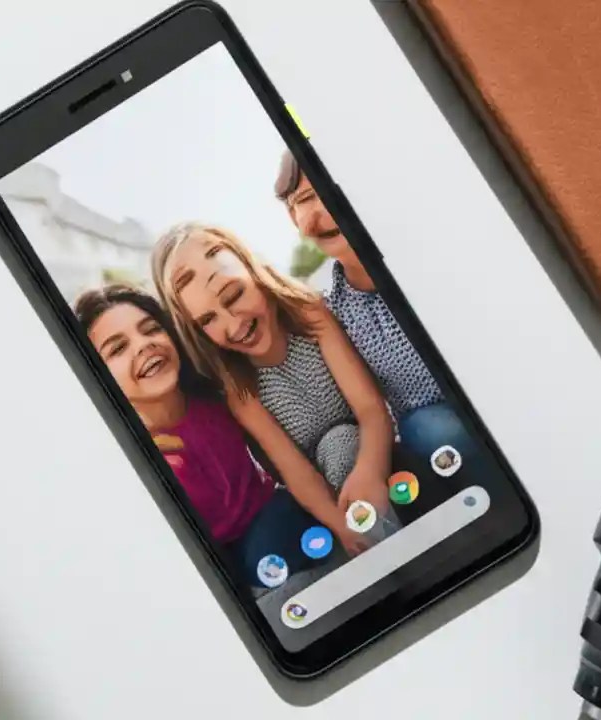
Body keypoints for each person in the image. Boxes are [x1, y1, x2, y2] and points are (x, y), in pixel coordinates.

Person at [150, 224, 394, 555]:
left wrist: (371, 469)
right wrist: (338, 524)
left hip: (369, 450)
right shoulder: (240, 390)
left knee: (340, 444)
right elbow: (296, 473)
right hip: (315, 493)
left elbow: (371, 408)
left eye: (234, 296)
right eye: (208, 320)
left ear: (251, 268)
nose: (234, 325)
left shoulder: (310, 315)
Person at [73, 284, 325, 586]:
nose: (143, 345)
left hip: (266, 516)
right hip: (209, 558)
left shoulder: (215, 393)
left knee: (267, 556)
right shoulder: (125, 457)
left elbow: (279, 456)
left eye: (151, 329)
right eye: (117, 349)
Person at [274, 151, 483, 471]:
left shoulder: (427, 257)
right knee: (427, 427)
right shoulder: (332, 314)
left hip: (489, 391)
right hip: (433, 429)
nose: (327, 207)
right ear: (293, 219)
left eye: (333, 188)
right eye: (307, 197)